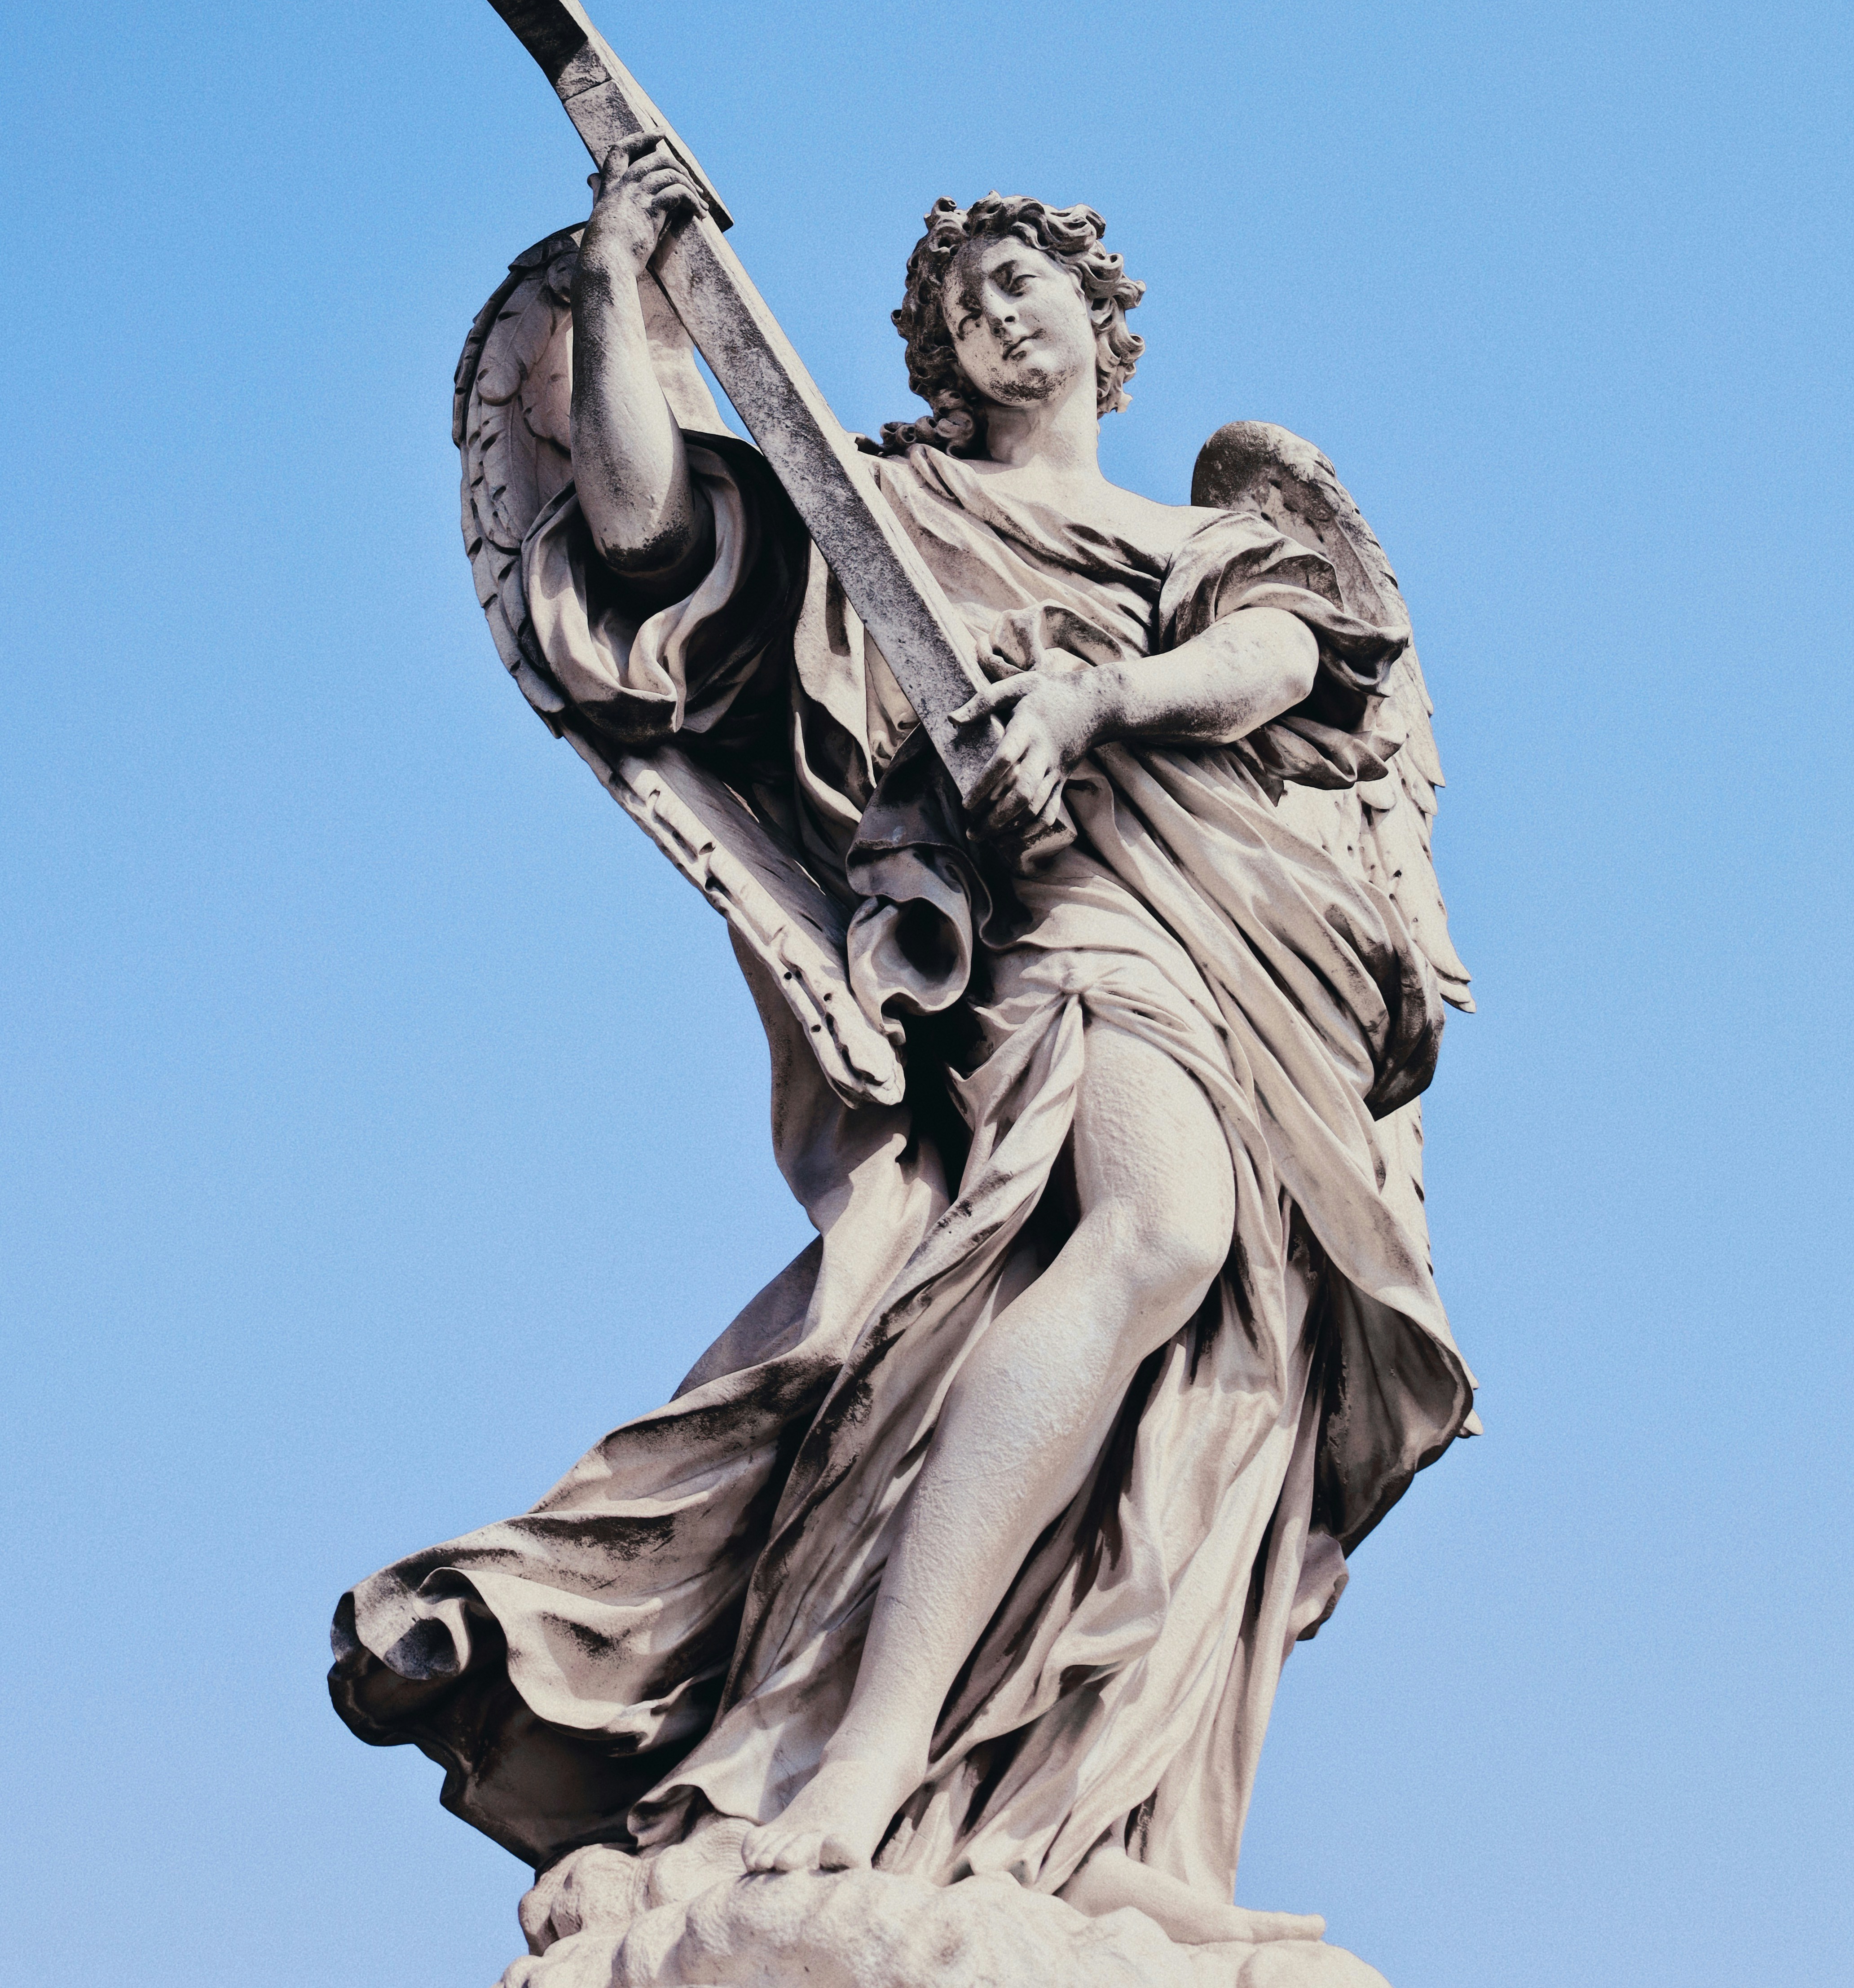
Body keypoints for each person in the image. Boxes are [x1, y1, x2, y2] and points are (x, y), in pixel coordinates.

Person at [331, 145, 1472, 1946]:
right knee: (1155, 1232)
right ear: (935, 353)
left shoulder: (1207, 539)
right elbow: (644, 543)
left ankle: (1087, 1810)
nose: (996, 309)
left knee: (1227, 1381)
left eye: (1027, 283)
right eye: (961, 297)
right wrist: (622, 290)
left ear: (1103, 329)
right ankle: (863, 1759)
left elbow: (1270, 658)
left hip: (1264, 952)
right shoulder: (885, 511)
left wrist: (1100, 694)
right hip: (1063, 915)